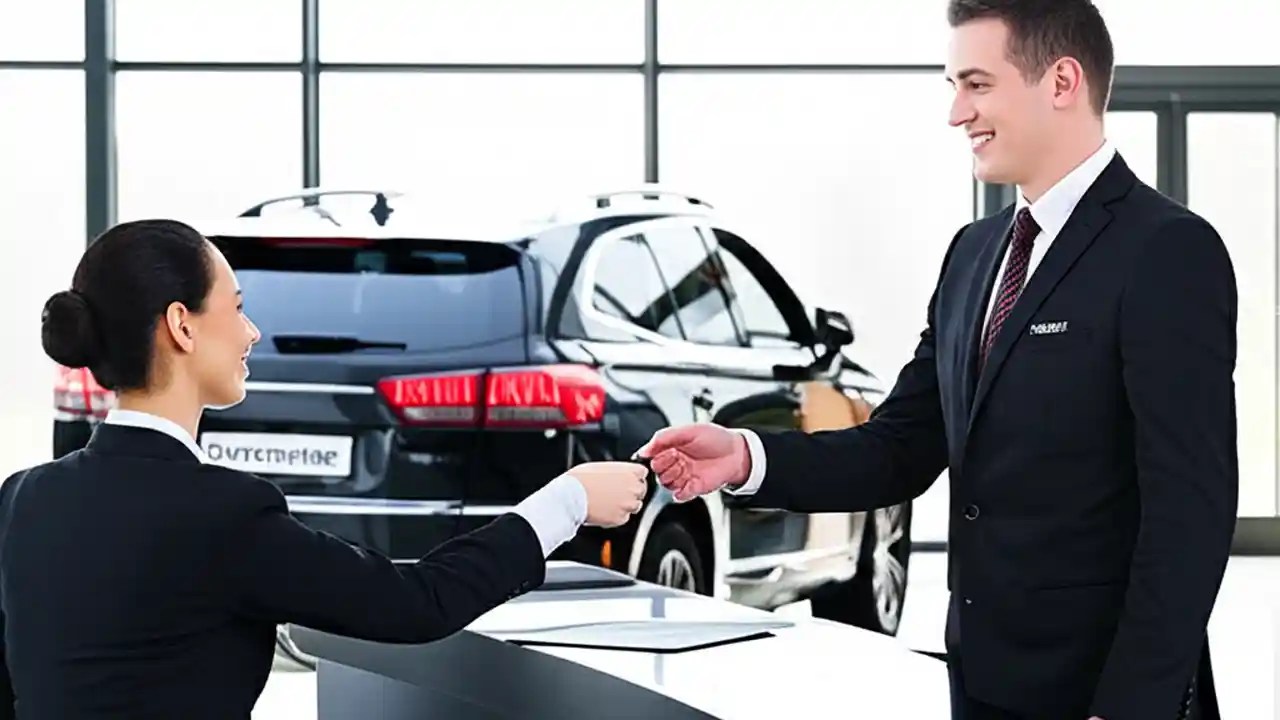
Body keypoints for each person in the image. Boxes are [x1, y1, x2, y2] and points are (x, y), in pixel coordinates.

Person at [638, 2, 1237, 719]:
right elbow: (899, 449)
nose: (958, 113)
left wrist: (1130, 707)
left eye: (977, 84)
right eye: (953, 84)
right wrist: (743, 457)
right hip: (981, 684)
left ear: (1062, 81)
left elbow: (1189, 515)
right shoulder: (973, 256)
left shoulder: (1166, 250)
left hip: (1101, 691)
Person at [0, 219, 648, 718]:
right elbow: (418, 604)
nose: (253, 332)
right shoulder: (222, 514)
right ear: (182, 326)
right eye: (236, 307)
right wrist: (568, 501)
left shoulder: (22, 500)